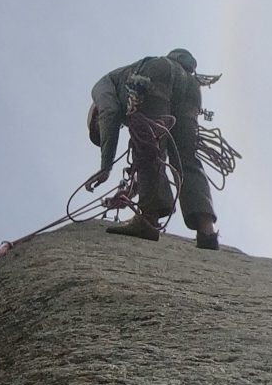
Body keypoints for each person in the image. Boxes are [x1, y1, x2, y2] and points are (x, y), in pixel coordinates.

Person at [86, 47, 220, 250]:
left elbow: (110, 113)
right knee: (187, 157)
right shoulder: (181, 74)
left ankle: (148, 219)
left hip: (155, 73)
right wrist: (132, 190)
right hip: (192, 86)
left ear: (94, 115)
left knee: (148, 142)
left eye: (98, 129)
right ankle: (207, 232)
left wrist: (106, 167)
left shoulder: (100, 88)